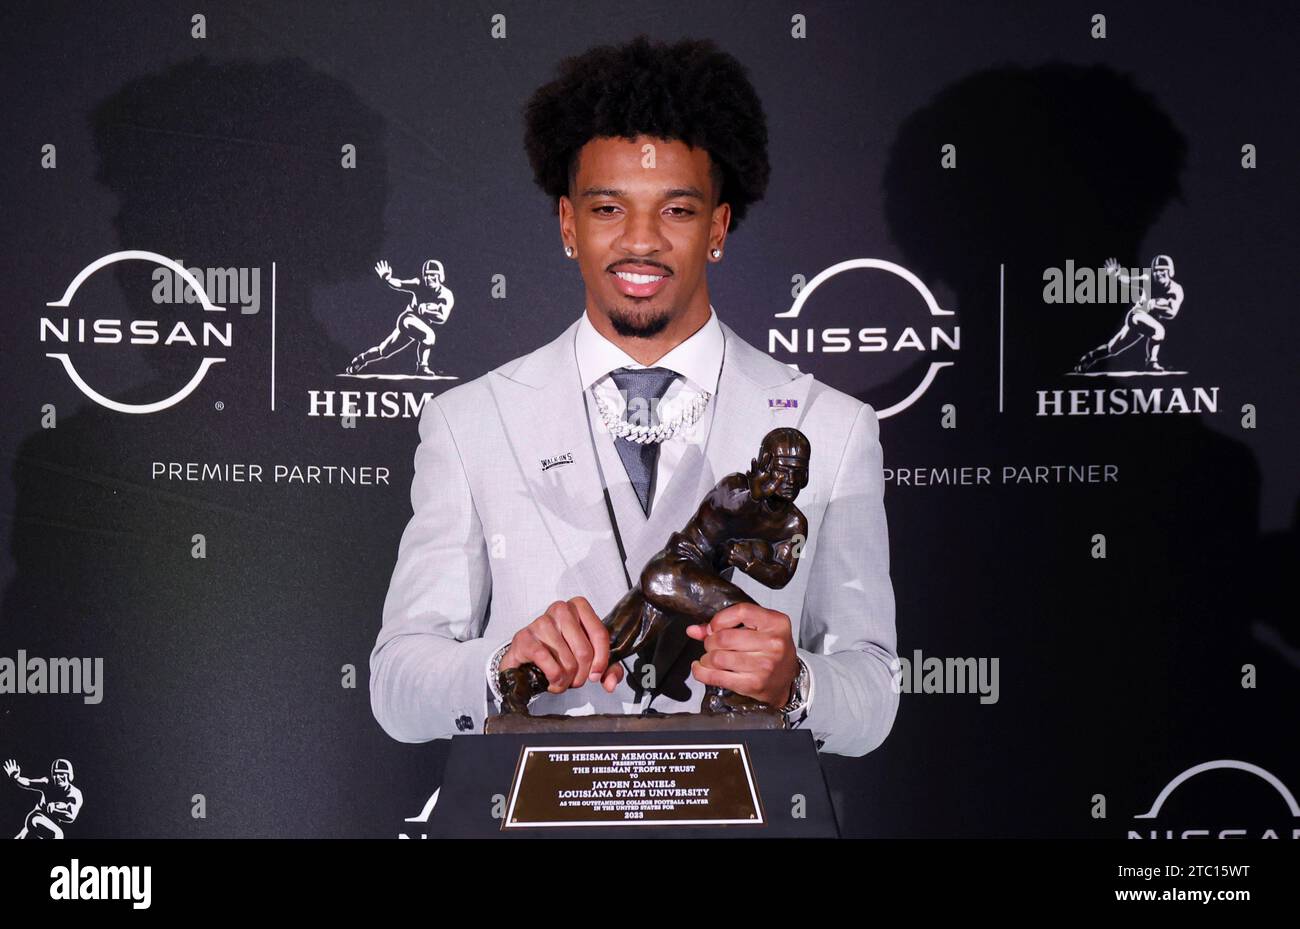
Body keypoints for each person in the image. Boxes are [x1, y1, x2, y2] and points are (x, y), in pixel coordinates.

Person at [370, 35, 899, 756]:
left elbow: (871, 693)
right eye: (609, 209)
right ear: (568, 225)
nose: (641, 241)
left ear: (717, 227)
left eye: (676, 211)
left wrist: (796, 682)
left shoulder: (833, 426)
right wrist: (501, 667)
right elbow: (397, 684)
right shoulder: (470, 422)